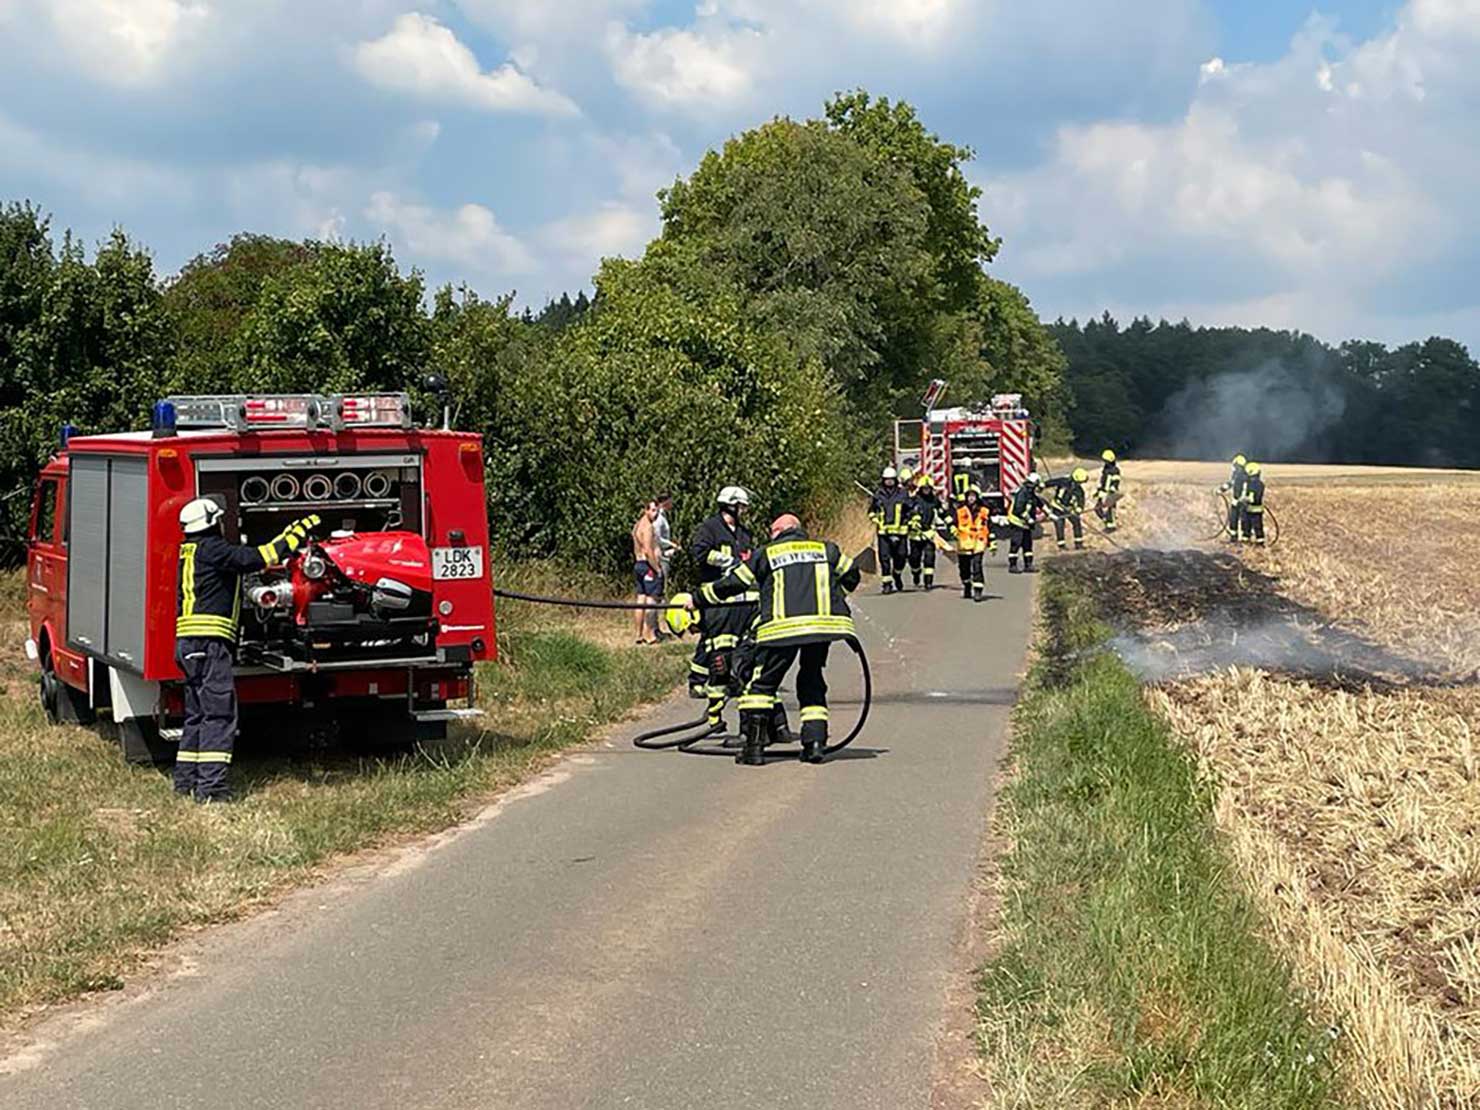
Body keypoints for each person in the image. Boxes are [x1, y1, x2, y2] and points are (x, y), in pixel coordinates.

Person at [174, 499, 321, 803]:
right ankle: (211, 789)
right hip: (209, 643)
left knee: (197, 714)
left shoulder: (189, 550)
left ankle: (186, 782)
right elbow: (261, 557)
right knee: (218, 714)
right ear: (212, 523)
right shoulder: (214, 550)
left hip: (188, 644)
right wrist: (294, 534)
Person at [695, 513, 861, 765]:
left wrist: (698, 598)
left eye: (772, 531)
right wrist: (835, 597)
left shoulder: (767, 554)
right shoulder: (826, 550)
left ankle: (754, 749)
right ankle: (815, 744)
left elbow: (734, 583)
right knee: (812, 680)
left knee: (762, 685)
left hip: (781, 630)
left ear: (780, 530)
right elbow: (852, 573)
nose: (770, 535)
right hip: (821, 628)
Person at [689, 486, 758, 735]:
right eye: (741, 507)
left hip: (740, 602)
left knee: (741, 654)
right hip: (716, 600)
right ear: (730, 505)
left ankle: (734, 693)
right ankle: (713, 714)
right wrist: (727, 560)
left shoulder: (744, 533)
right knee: (718, 654)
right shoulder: (710, 528)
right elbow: (699, 553)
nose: (744, 511)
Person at [869, 465, 913, 594]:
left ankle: (897, 574)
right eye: (886, 479)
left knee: (901, 556)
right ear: (883, 480)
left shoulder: (902, 493)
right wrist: (875, 519)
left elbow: (910, 509)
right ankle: (887, 584)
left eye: (891, 479)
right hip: (884, 533)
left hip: (900, 532)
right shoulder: (878, 495)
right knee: (884, 558)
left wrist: (911, 519)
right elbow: (871, 511)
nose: (889, 482)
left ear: (895, 480)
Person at [631, 500, 664, 645]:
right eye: (653, 510)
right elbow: (648, 550)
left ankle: (638, 634)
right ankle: (649, 634)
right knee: (651, 600)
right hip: (647, 565)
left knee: (641, 599)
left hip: (638, 564)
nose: (655, 514)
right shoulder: (648, 527)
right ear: (646, 510)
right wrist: (656, 568)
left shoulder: (637, 525)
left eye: (657, 511)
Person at [952, 486, 992, 602]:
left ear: (977, 497)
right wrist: (953, 529)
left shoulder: (984, 511)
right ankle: (967, 586)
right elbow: (954, 522)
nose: (971, 498)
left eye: (973, 496)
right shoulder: (960, 510)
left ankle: (978, 591)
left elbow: (989, 526)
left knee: (977, 566)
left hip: (979, 543)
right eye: (969, 496)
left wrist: (992, 542)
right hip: (964, 544)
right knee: (964, 569)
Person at [908, 473, 945, 590]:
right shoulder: (913, 500)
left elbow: (943, 513)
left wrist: (951, 524)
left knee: (929, 557)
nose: (926, 490)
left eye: (928, 488)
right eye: (924, 488)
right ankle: (916, 573)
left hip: (929, 534)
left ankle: (928, 581)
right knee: (914, 558)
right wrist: (911, 522)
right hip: (915, 535)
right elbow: (906, 513)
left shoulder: (934, 500)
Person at [1006, 472, 1045, 574]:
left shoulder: (1031, 494)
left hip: (1026, 524)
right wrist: (1029, 519)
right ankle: (1012, 566)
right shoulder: (1022, 493)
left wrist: (1050, 514)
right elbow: (1018, 509)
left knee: (1027, 545)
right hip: (1017, 523)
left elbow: (1040, 503)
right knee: (1016, 543)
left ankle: (1028, 565)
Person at [650, 492, 676, 638]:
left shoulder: (663, 517)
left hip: (665, 555)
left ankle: (657, 627)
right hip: (661, 556)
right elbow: (657, 538)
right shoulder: (659, 518)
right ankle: (655, 628)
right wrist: (672, 544)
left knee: (661, 592)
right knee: (657, 593)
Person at [1043, 468, 1089, 551]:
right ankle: (1061, 545)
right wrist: (1043, 485)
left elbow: (1081, 500)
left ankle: (1078, 544)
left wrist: (1079, 508)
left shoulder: (1079, 490)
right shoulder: (1063, 481)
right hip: (1057, 507)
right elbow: (1052, 482)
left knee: (1076, 522)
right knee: (1060, 524)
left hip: (1069, 509)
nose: (1080, 484)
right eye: (1080, 482)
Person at [1218, 455, 1248, 542]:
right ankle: (1233, 537)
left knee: (1244, 520)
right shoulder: (1235, 474)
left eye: (1236, 466)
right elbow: (1231, 483)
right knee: (1233, 519)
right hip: (1236, 502)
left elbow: (1245, 489)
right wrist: (1221, 490)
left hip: (1243, 503)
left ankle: (1245, 538)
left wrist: (1242, 499)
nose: (1234, 467)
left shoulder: (1245, 476)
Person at [1094, 450, 1123, 533]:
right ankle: (1106, 521)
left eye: (1106, 460)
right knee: (1097, 508)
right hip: (1103, 492)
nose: (1104, 462)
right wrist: (1098, 491)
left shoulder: (1115, 470)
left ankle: (1111, 526)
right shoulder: (1105, 469)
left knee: (1110, 509)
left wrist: (1112, 490)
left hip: (1110, 493)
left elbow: (1116, 482)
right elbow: (1102, 481)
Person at [1241, 462, 1267, 545]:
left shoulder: (1254, 484)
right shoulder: (1258, 484)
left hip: (1253, 510)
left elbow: (1253, 498)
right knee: (1251, 525)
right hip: (1252, 510)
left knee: (1253, 526)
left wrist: (1244, 500)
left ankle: (1257, 540)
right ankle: (1254, 539)